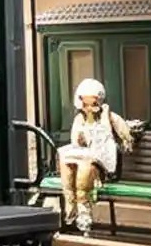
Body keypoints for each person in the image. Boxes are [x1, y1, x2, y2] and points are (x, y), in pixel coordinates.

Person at [58, 78, 135, 234]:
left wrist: (125, 138)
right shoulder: (79, 120)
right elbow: (76, 143)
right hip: (84, 159)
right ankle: (71, 203)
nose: (89, 109)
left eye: (93, 104)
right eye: (85, 104)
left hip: (105, 167)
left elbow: (127, 139)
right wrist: (80, 140)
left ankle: (83, 208)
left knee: (87, 165)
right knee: (67, 160)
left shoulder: (110, 117)